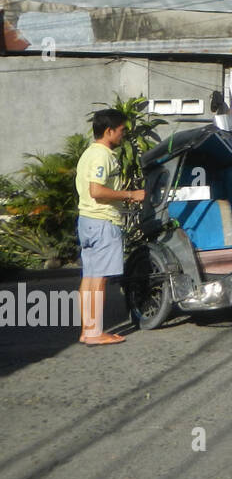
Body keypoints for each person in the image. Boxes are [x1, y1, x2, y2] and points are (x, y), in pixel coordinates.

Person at [75, 108, 146, 345]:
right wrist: (130, 195)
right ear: (109, 131)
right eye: (121, 130)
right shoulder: (103, 156)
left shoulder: (89, 153)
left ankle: (88, 330)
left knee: (90, 277)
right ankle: (95, 333)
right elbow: (97, 190)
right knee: (100, 280)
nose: (123, 135)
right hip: (102, 221)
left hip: (87, 220)